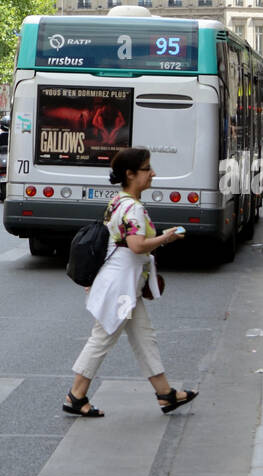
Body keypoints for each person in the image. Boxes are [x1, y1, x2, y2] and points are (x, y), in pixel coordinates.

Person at [62, 147, 198, 417]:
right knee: (102, 338)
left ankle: (165, 394)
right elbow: (136, 245)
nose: (153, 173)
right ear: (131, 174)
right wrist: (166, 237)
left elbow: (121, 241)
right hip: (121, 286)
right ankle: (76, 396)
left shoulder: (119, 201)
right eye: (147, 169)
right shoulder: (133, 208)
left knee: (144, 339)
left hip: (123, 283)